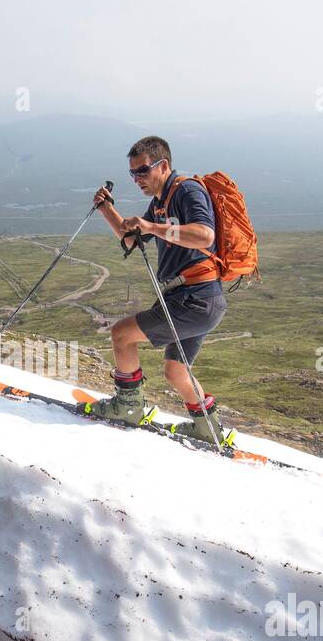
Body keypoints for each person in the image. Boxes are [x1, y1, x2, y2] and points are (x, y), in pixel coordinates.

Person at [89, 135, 226, 441]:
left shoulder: (187, 190)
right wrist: (107, 209)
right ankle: (208, 428)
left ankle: (128, 406)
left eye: (142, 170)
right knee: (176, 372)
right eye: (132, 173)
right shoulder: (160, 203)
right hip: (194, 299)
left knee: (121, 335)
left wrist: (151, 226)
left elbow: (204, 235)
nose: (137, 178)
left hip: (196, 298)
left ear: (163, 166)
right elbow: (131, 239)